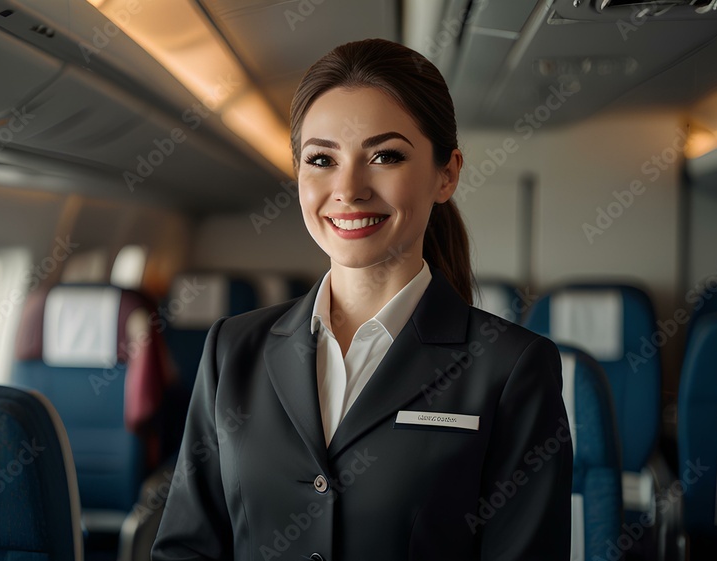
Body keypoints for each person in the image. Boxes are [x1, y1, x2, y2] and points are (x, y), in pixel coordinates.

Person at [151, 38, 572, 561]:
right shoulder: (233, 349)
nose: (348, 188)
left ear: (447, 174)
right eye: (322, 159)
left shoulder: (511, 369)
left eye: (384, 156)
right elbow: (186, 549)